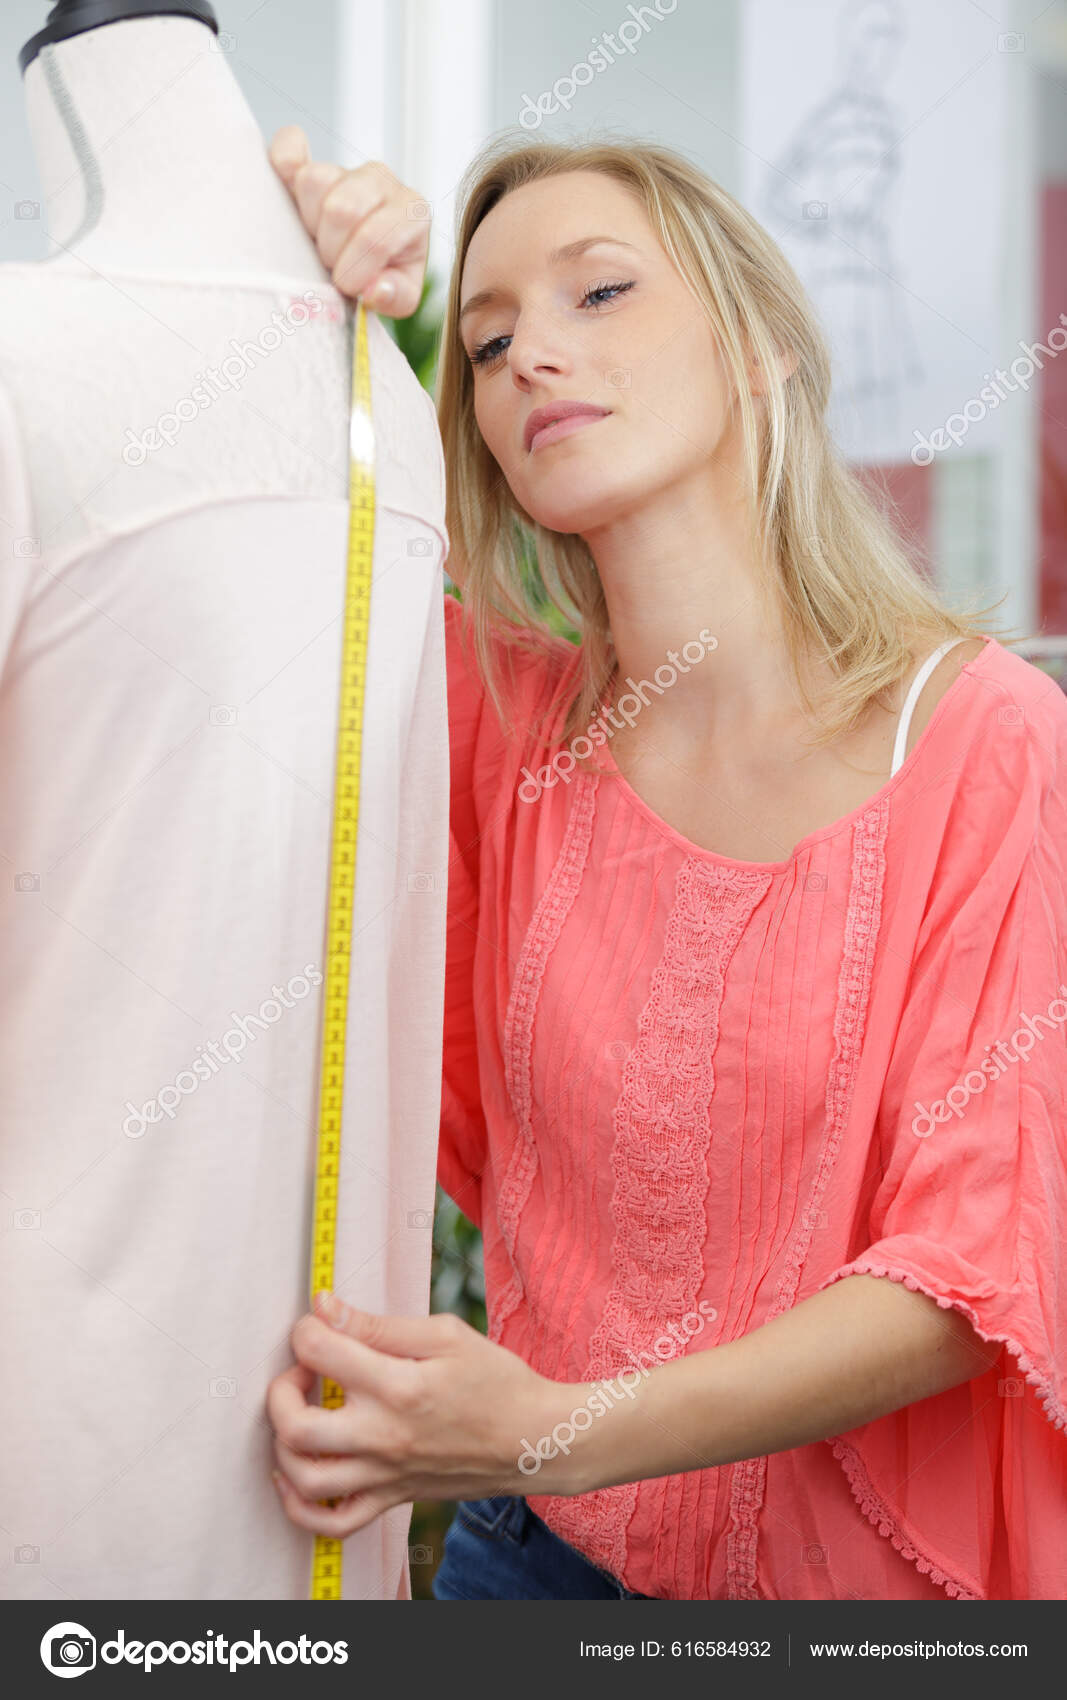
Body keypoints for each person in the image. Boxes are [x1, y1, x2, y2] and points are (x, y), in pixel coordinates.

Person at [265, 125, 1067, 1602]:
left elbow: (971, 1277)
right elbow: (268, 519)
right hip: (534, 1566)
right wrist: (307, 266)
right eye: (489, 337)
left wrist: (549, 1429)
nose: (524, 357)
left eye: (600, 293)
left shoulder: (981, 743)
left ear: (759, 345)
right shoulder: (500, 740)